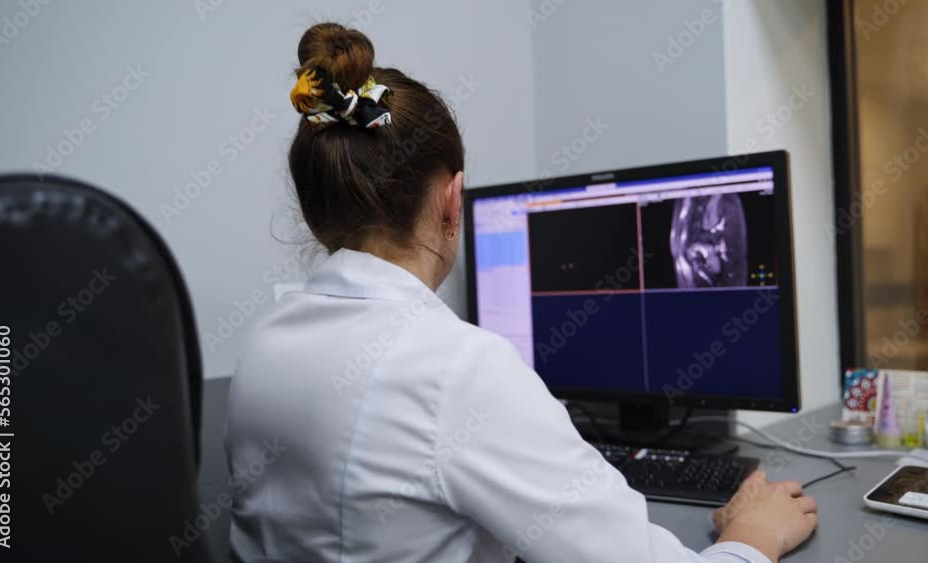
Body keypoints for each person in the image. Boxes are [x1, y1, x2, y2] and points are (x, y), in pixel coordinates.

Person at [225, 22, 818, 563]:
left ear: (314, 208)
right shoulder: (454, 370)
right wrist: (755, 534)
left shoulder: (264, 344)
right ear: (452, 201)